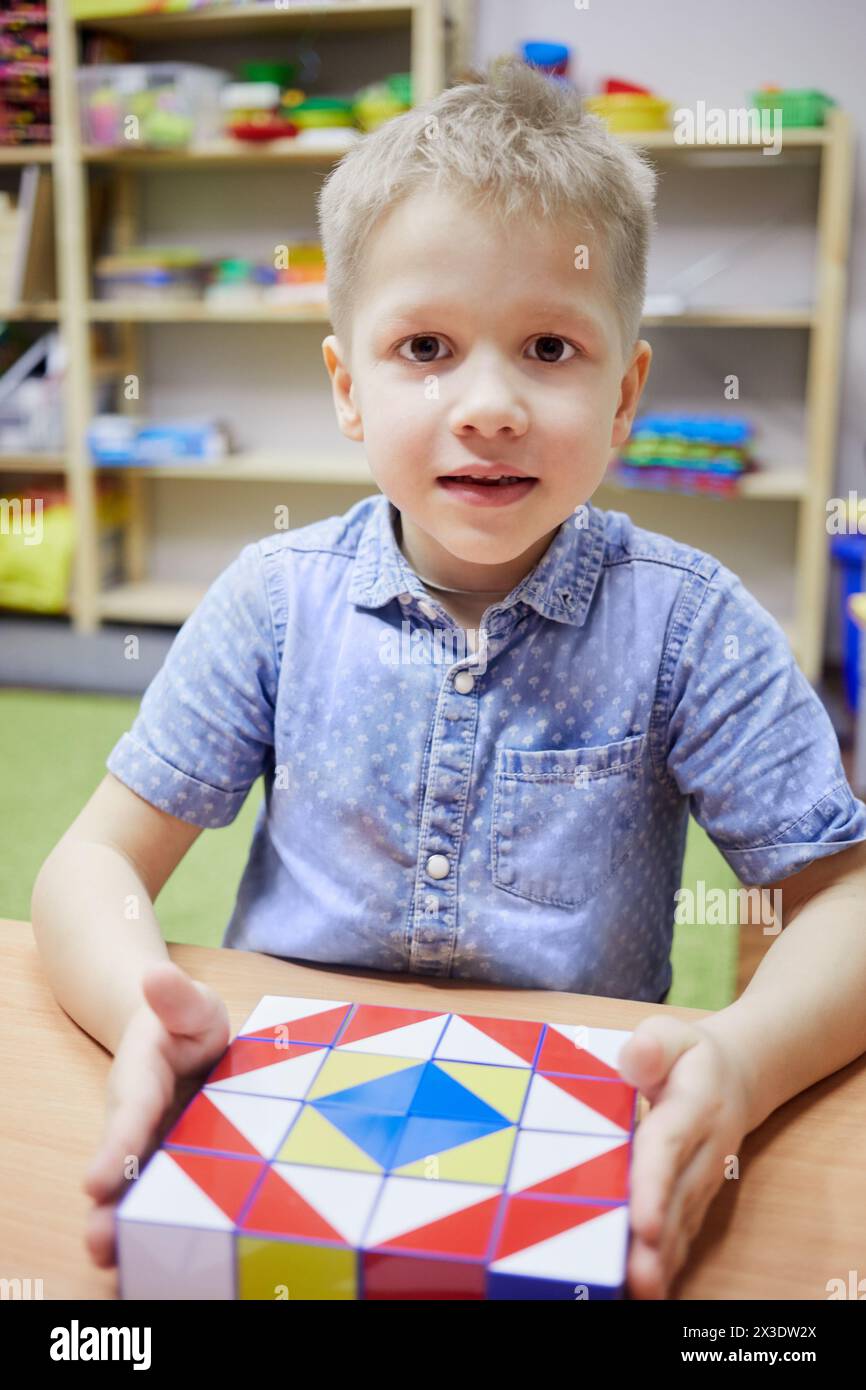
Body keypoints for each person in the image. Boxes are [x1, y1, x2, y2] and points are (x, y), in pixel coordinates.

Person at [31, 57, 866, 1299]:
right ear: (346, 388)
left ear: (625, 391)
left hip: (574, 1144)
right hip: (282, 1120)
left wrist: (738, 1061)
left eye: (547, 346)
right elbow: (87, 865)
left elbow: (841, 901)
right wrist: (138, 1012)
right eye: (424, 346)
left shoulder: (691, 624)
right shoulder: (275, 599)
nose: (487, 405)